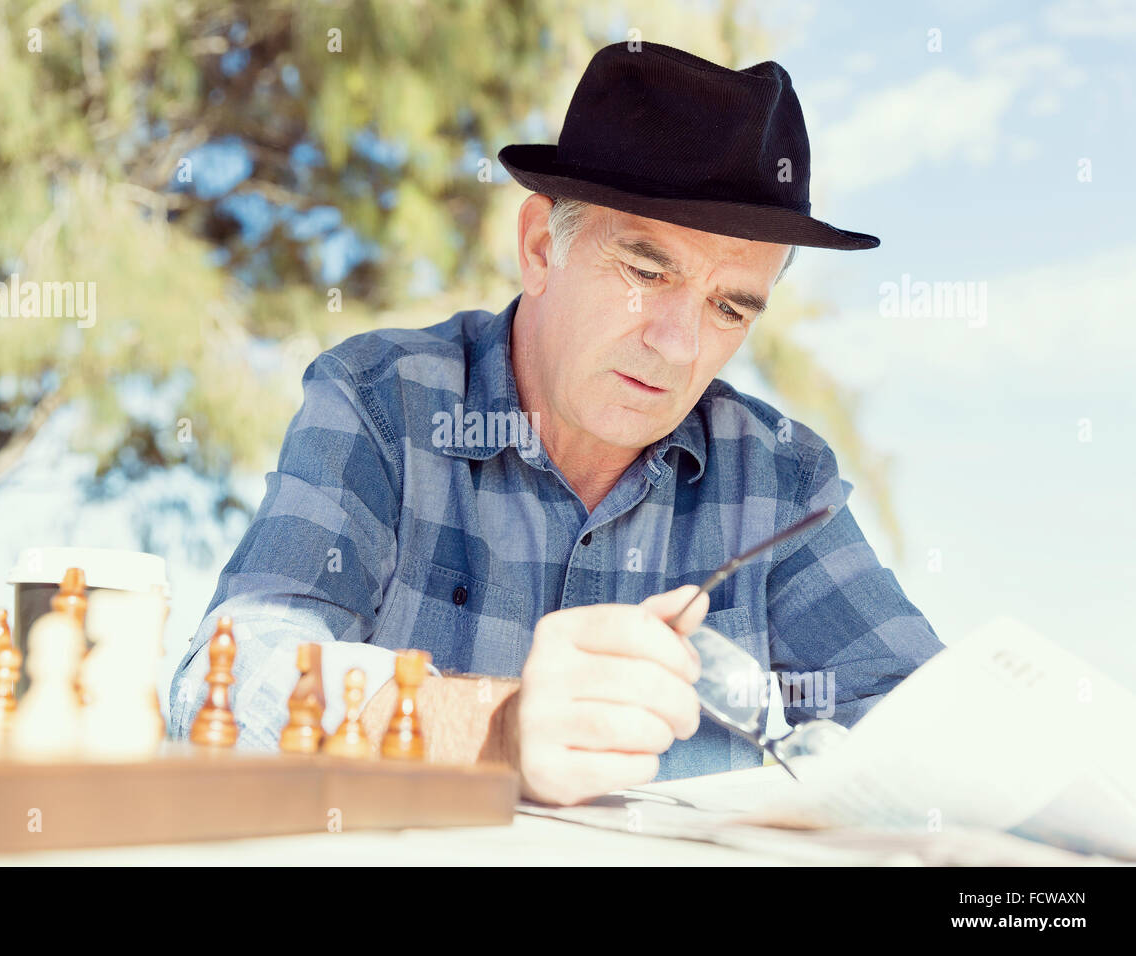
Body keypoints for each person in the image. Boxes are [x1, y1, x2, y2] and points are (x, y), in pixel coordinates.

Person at [169, 41, 943, 805]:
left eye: (729, 305)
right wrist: (494, 730)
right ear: (540, 248)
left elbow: (927, 729)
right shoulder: (381, 405)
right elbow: (229, 683)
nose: (678, 346)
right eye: (647, 272)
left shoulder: (781, 478)